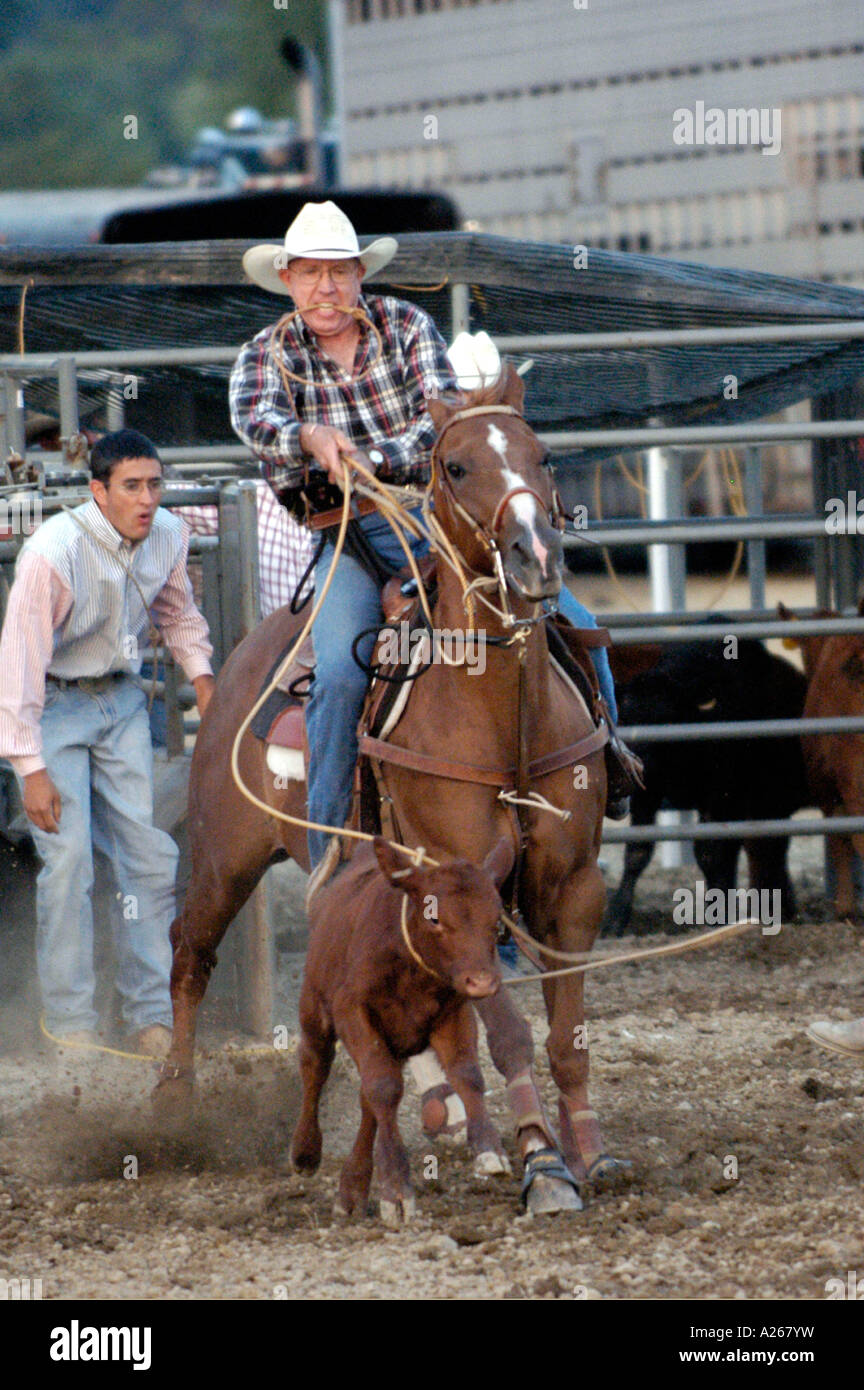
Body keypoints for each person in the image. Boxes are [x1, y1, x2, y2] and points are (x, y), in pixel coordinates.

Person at [229, 200, 624, 878]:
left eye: (339, 273)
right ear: (288, 280)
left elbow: (442, 423)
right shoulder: (268, 354)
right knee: (343, 670)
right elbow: (253, 419)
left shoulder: (407, 327)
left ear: (360, 277)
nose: (326, 289)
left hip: (430, 518)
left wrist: (374, 458)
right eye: (310, 274)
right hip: (346, 534)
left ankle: (608, 760)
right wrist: (309, 437)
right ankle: (331, 845)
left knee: (575, 623)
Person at [0, 429, 215, 1057]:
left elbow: (178, 614)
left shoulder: (168, 535)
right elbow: (18, 666)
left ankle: (151, 1015)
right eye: (131, 486)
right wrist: (29, 766)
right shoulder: (54, 552)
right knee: (67, 862)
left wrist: (203, 680)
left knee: (146, 856)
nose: (146, 498)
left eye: (154, 484)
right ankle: (70, 1024)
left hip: (120, 700)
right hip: (53, 707)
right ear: (98, 491)